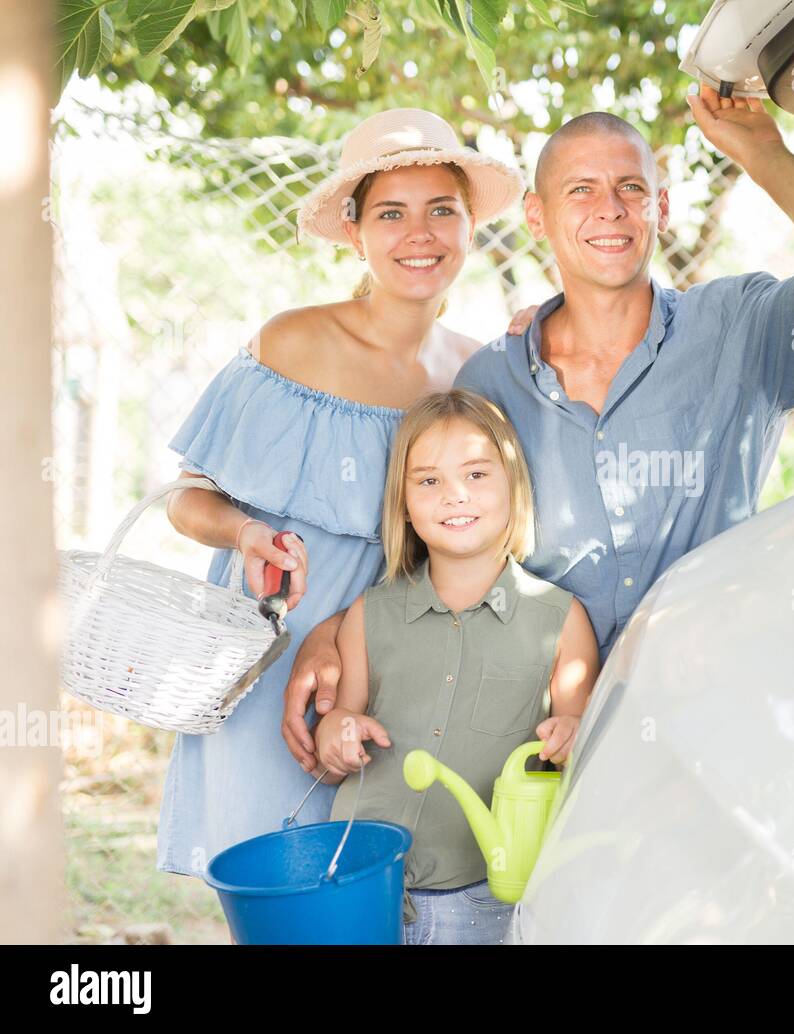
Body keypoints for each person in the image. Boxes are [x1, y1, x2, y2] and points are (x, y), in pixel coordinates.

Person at [282, 85, 794, 772]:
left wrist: (762, 151)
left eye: (631, 188)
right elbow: (449, 552)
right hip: (544, 740)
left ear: (661, 209)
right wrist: (339, 631)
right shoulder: (492, 381)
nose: (609, 208)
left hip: (711, 718)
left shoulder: (738, 327)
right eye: (580, 190)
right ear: (537, 217)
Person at [156, 109, 527, 905]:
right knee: (283, 892)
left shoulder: (478, 372)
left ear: (470, 228)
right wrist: (246, 530)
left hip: (402, 660)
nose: (418, 234)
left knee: (384, 898)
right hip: (271, 657)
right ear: (354, 232)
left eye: (442, 211)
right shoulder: (293, 342)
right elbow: (186, 502)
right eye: (390, 212)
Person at [312, 389, 598, 944]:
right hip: (360, 887)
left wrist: (569, 735)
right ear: (404, 503)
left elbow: (578, 737)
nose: (454, 496)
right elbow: (337, 729)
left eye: (476, 474)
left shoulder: (560, 619)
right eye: (428, 481)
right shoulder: (371, 613)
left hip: (481, 899)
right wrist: (336, 734)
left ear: (513, 485)